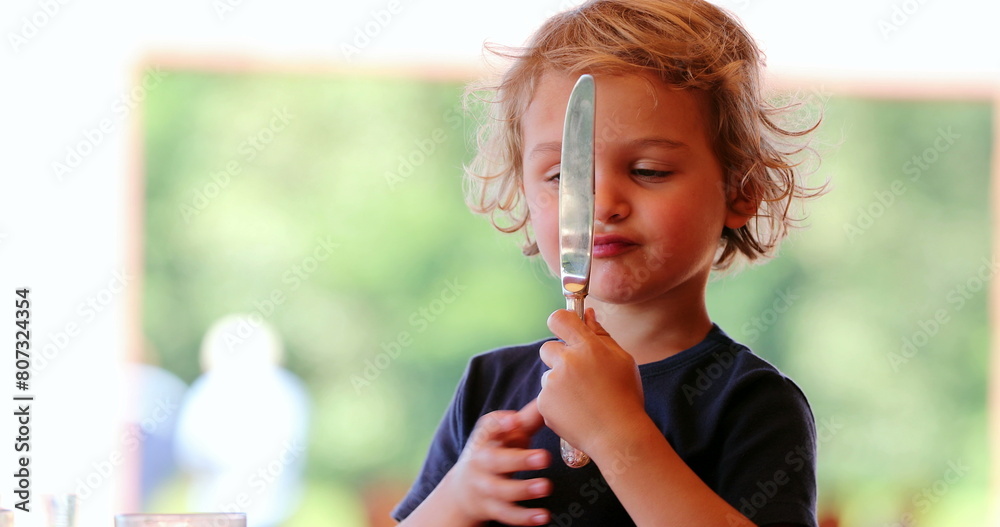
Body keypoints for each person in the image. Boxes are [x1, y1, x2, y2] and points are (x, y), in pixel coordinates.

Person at [393, 0, 825, 525]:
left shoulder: (752, 404)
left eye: (647, 170)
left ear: (740, 191)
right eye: (560, 176)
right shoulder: (492, 385)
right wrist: (457, 496)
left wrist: (617, 434)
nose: (600, 203)